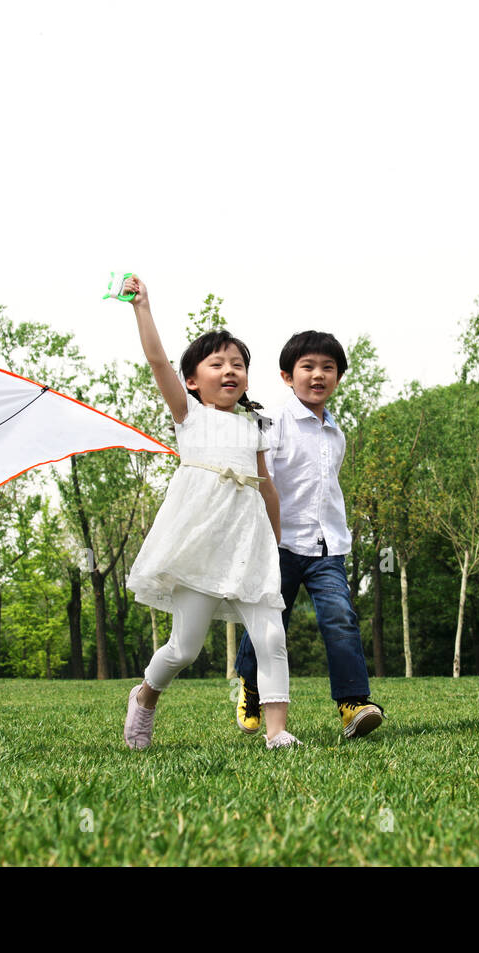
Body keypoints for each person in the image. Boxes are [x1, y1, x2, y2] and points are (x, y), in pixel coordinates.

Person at [119, 274, 299, 750]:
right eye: (217, 363)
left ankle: (278, 732)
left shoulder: (256, 426)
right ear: (193, 381)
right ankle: (145, 696)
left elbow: (269, 492)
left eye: (238, 364)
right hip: (200, 546)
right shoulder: (190, 416)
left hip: (250, 545)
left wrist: (274, 548)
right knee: (184, 648)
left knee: (271, 638)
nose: (230, 371)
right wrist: (143, 306)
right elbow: (158, 360)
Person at [232, 331, 385, 738]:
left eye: (328, 368)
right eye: (308, 367)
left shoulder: (337, 433)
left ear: (338, 377)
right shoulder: (273, 423)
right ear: (287, 376)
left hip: (328, 546)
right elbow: (262, 480)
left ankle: (353, 703)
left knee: (340, 618)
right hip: (278, 543)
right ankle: (249, 684)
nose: (318, 375)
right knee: (268, 623)